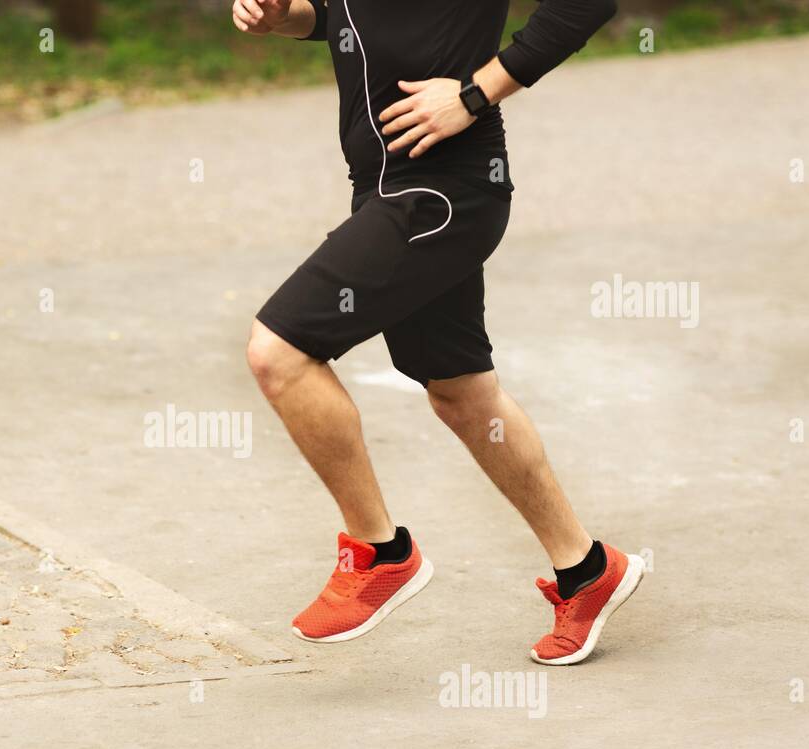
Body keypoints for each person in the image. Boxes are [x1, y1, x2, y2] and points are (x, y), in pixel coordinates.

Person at [232, 0, 641, 664]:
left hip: (441, 192)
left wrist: (477, 93)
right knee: (463, 395)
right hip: (391, 189)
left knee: (279, 352)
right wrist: (289, 16)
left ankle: (379, 554)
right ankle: (587, 570)